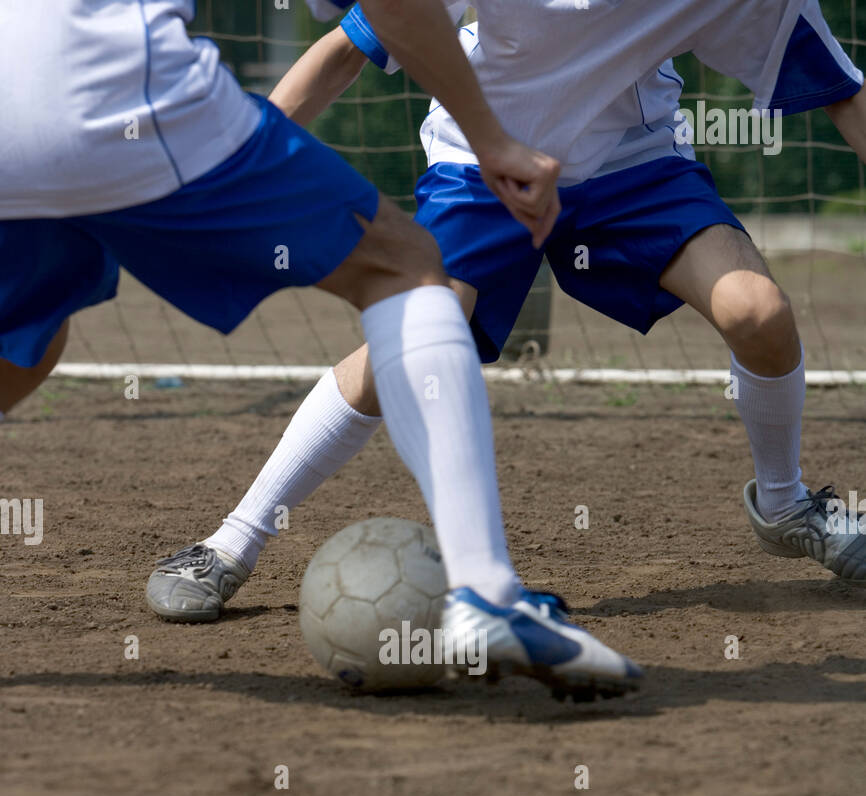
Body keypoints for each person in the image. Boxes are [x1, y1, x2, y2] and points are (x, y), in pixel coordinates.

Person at [145, 0, 866, 633]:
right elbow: (344, 50)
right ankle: (231, 541)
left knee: (758, 311)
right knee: (410, 345)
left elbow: (836, 88)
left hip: (633, 168)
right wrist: (236, 177)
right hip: (482, 166)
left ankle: (785, 505)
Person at [0, 0, 646, 700]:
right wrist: (491, 138)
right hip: (112, 84)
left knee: (24, 345)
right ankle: (486, 594)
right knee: (402, 265)